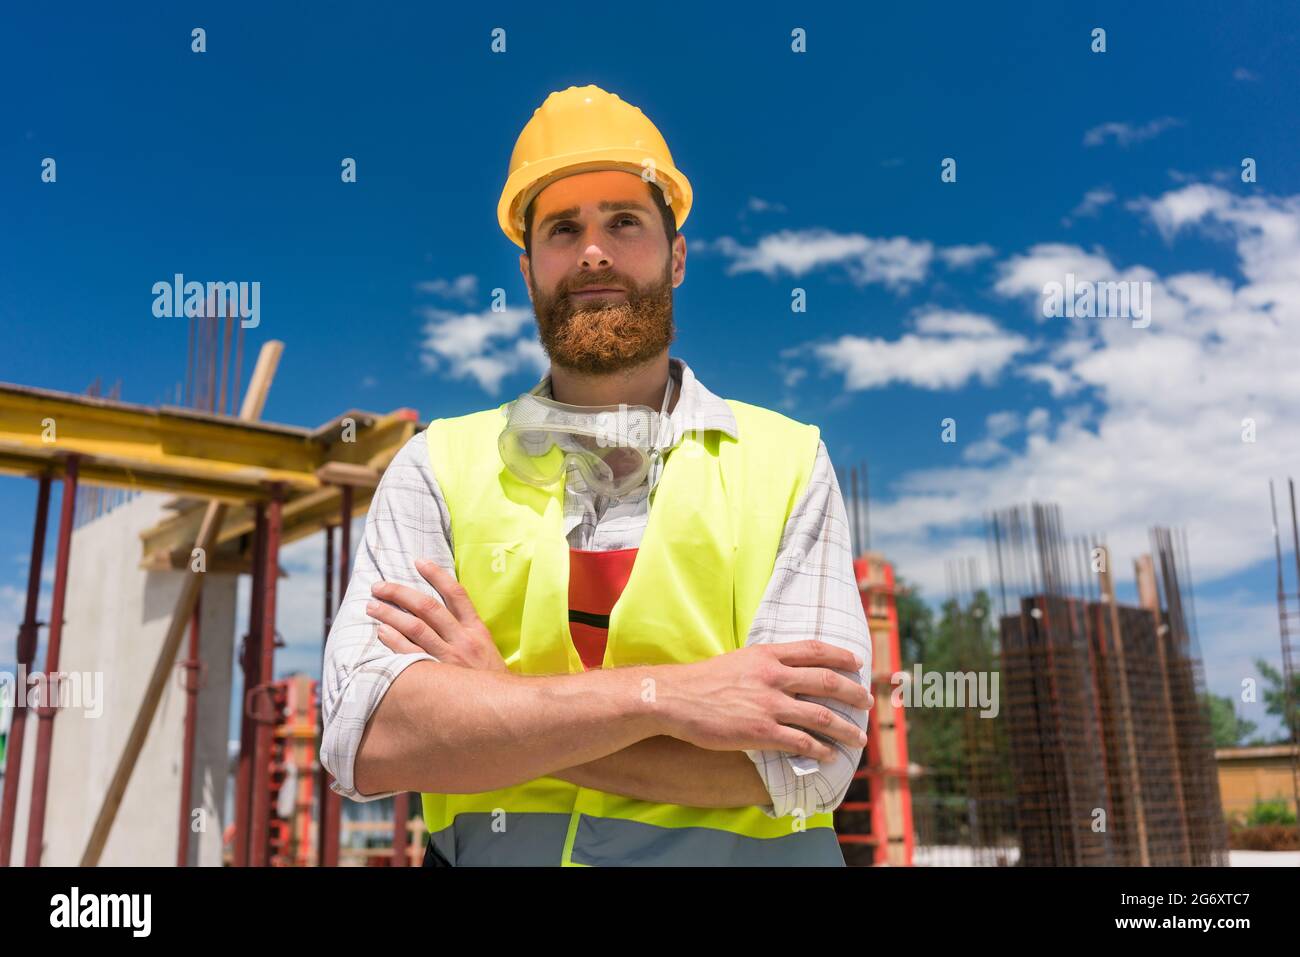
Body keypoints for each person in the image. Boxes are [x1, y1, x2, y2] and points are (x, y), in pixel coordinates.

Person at [320, 84, 873, 866]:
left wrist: (499, 707)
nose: (592, 251)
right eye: (563, 228)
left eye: (623, 221)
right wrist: (670, 698)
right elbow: (365, 736)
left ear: (677, 258)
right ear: (528, 272)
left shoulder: (787, 463)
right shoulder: (436, 467)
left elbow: (810, 760)